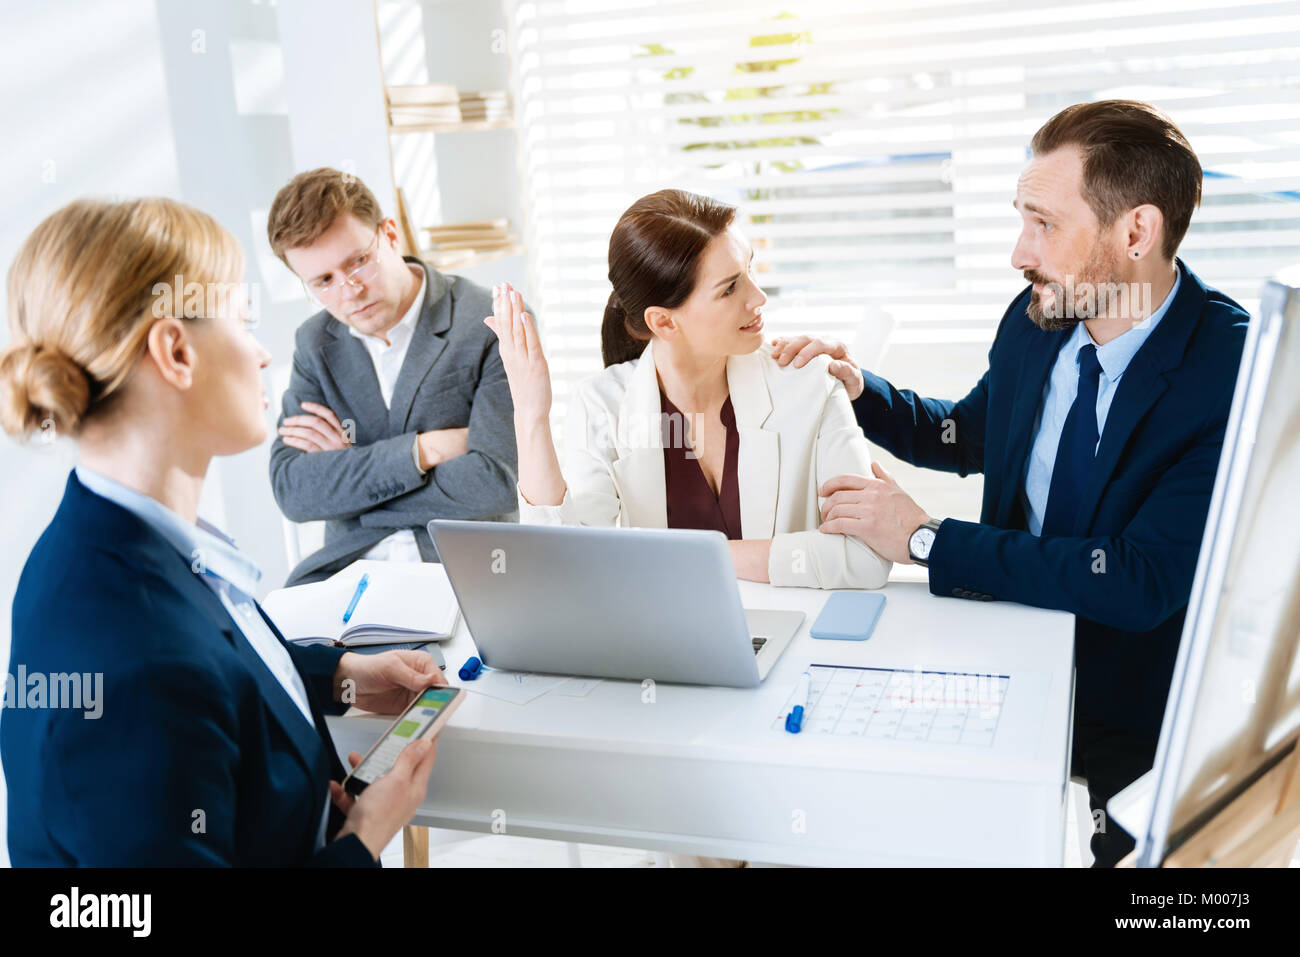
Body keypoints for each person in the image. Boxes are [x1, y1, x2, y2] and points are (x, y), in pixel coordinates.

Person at [770, 100, 1250, 866]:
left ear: (1136, 232)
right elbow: (970, 433)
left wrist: (923, 539)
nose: (1018, 252)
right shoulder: (1041, 316)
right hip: (1006, 656)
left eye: (1044, 224)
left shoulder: (1233, 369)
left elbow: (1139, 579)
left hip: (1137, 702)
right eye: (1021, 219)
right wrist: (861, 391)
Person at [0, 197, 445, 866]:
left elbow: (219, 669)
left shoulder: (108, 541)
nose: (262, 355)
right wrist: (363, 839)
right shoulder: (137, 666)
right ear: (175, 351)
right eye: (243, 321)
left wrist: (339, 675)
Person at [486, 188, 891, 590]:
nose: (758, 297)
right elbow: (564, 565)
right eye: (730, 288)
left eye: (750, 270)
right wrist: (531, 415)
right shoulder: (603, 404)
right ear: (664, 322)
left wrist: (690, 556)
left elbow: (866, 556)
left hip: (801, 626)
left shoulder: (809, 382)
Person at [267, 168, 521, 585]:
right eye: (324, 281)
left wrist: (351, 481)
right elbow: (294, 491)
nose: (349, 291)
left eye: (358, 262)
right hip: (347, 573)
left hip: (467, 572)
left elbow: (496, 480)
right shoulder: (314, 343)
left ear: (389, 234)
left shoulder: (489, 322)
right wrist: (423, 450)